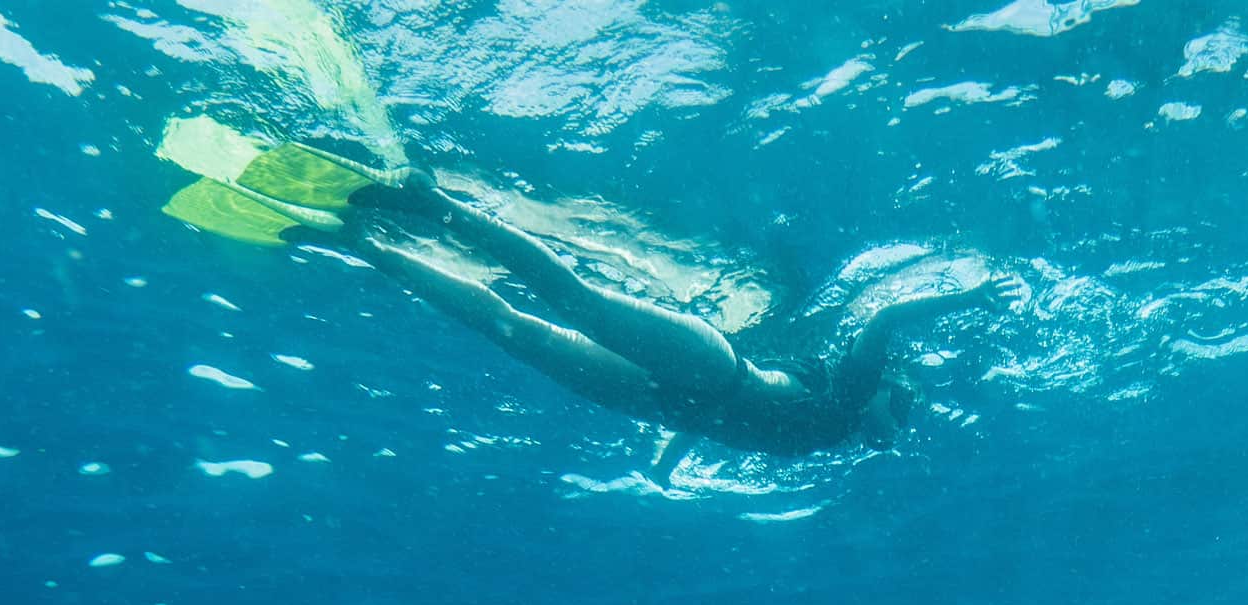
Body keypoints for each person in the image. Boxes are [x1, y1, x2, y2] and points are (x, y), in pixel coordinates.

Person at [164, 141, 1024, 463]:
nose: (895, 427)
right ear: (884, 394)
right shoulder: (849, 390)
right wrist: (973, 292)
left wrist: (669, 464)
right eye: (900, 412)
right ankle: (431, 204)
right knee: (567, 295)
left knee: (513, 331)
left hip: (660, 405)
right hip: (709, 370)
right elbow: (882, 318)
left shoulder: (836, 443)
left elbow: (739, 444)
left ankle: (369, 247)